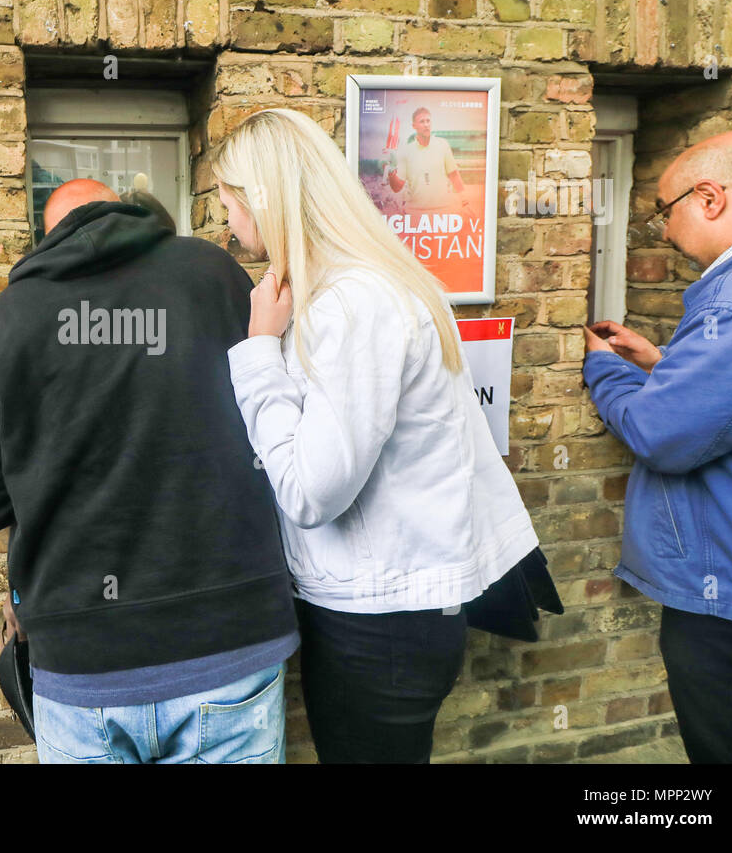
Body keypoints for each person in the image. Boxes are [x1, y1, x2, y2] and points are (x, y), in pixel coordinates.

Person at [211, 108, 539, 763]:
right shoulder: (376, 282)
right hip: (389, 614)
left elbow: (311, 493)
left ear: (265, 198)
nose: (227, 221)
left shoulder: (352, 304)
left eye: (229, 201)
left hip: (378, 627)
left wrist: (256, 351)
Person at [0, 178, 298, 764]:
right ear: (124, 210)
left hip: (82, 662)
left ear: (46, 236)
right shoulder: (213, 275)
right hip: (228, 644)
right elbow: (281, 417)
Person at [583, 130, 732, 764]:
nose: (661, 231)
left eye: (665, 209)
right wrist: (666, 365)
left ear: (709, 197)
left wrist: (606, 369)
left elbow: (664, 435)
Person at [384, 106, 476, 220]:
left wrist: (465, 203)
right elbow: (397, 187)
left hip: (443, 212)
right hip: (415, 213)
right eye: (422, 121)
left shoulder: (442, 145)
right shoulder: (406, 151)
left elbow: (454, 175)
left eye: (428, 121)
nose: (426, 124)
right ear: (414, 126)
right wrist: (391, 174)